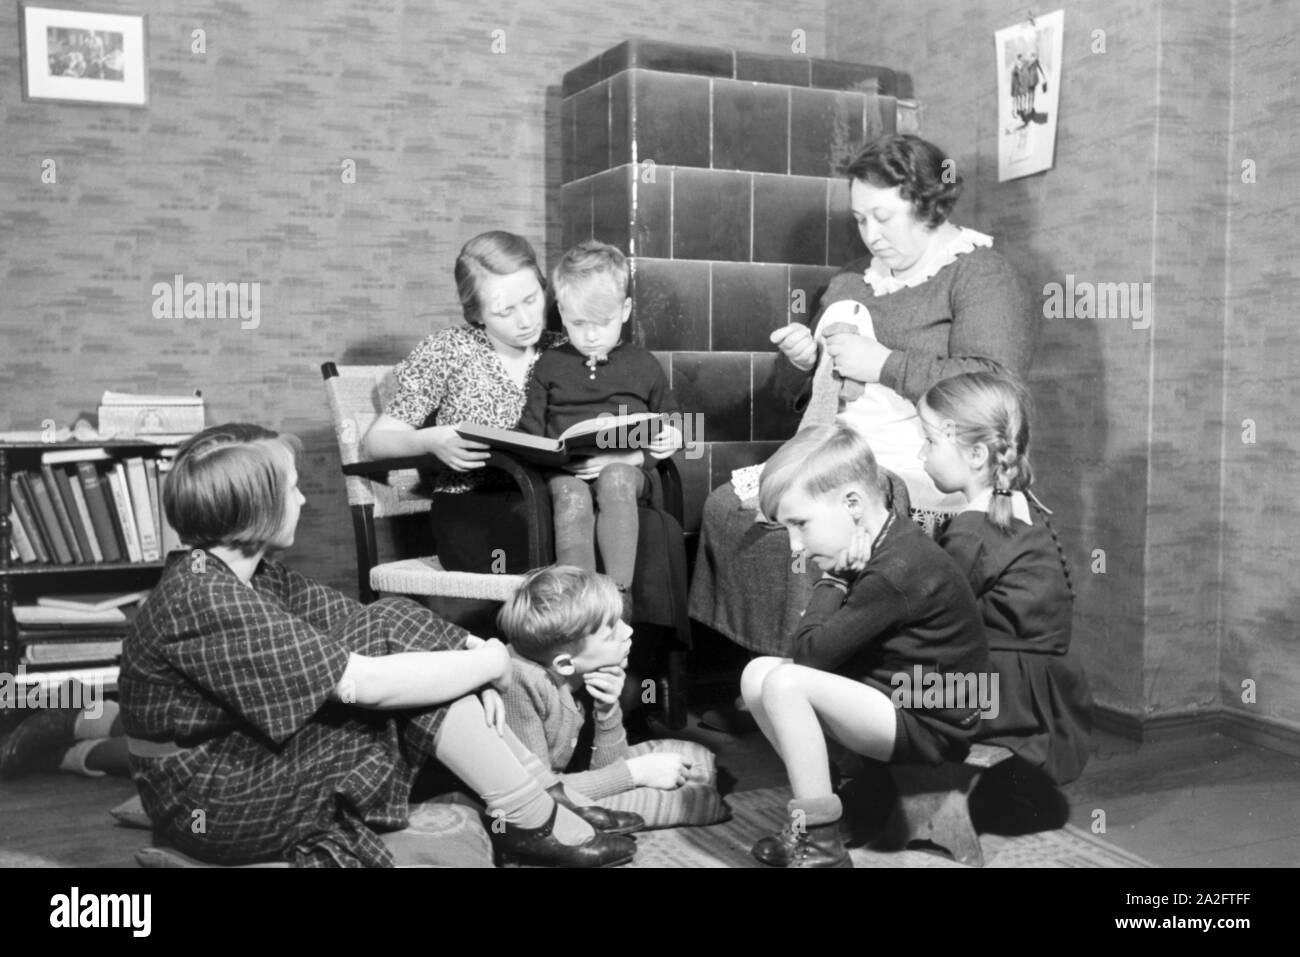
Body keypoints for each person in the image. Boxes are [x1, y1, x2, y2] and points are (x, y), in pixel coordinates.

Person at [119, 423, 637, 868]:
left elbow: (368, 620)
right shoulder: (205, 596)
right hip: (211, 797)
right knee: (413, 678)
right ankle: (529, 815)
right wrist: (490, 663)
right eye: (292, 489)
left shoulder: (252, 576)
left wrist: (475, 653)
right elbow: (362, 682)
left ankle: (537, 795)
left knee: (397, 626)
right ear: (256, 508)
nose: (302, 499)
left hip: (236, 758)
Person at [690, 133, 1036, 666]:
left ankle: (824, 672)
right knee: (727, 508)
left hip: (926, 458)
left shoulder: (979, 272)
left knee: (817, 523)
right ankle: (776, 667)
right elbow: (797, 399)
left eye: (882, 217)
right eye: (859, 219)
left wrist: (884, 364)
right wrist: (801, 364)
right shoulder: (853, 279)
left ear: (927, 202)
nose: (870, 235)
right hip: (841, 447)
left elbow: (998, 384)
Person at [740, 423, 989, 868]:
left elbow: (810, 655)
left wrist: (833, 580)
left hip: (934, 722)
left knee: (784, 683)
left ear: (852, 504)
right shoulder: (883, 542)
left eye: (800, 524)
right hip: (894, 695)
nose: (795, 546)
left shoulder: (895, 570)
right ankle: (832, 806)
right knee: (756, 674)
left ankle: (821, 844)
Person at [918, 372, 1092, 785]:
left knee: (876, 674)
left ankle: (871, 789)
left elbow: (925, 612)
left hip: (1006, 698)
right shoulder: (1020, 509)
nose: (919, 452)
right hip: (1044, 697)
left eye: (929, 441)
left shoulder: (975, 530)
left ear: (977, 455)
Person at [363, 231, 564, 574]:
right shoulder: (449, 349)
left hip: (552, 499)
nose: (526, 320)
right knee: (562, 539)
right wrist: (430, 439)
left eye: (531, 300)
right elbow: (376, 441)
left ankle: (627, 627)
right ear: (477, 313)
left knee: (645, 525)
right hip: (475, 509)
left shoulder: (562, 351)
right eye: (505, 311)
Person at [517, 242, 682, 618]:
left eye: (602, 323)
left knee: (616, 478)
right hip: (567, 473)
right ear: (561, 312)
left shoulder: (643, 364)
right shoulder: (549, 365)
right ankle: (581, 604)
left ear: (624, 311)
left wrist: (641, 454)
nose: (590, 336)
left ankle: (618, 597)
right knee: (571, 497)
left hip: (629, 469)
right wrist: (543, 454)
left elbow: (677, 425)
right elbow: (530, 432)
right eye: (577, 324)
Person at [497, 566, 726, 829]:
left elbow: (604, 767)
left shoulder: (574, 672)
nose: (627, 632)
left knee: (697, 758)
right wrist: (636, 774)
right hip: (524, 806)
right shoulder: (520, 683)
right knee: (698, 802)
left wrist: (607, 709)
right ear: (564, 663)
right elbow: (537, 791)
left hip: (561, 786)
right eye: (609, 634)